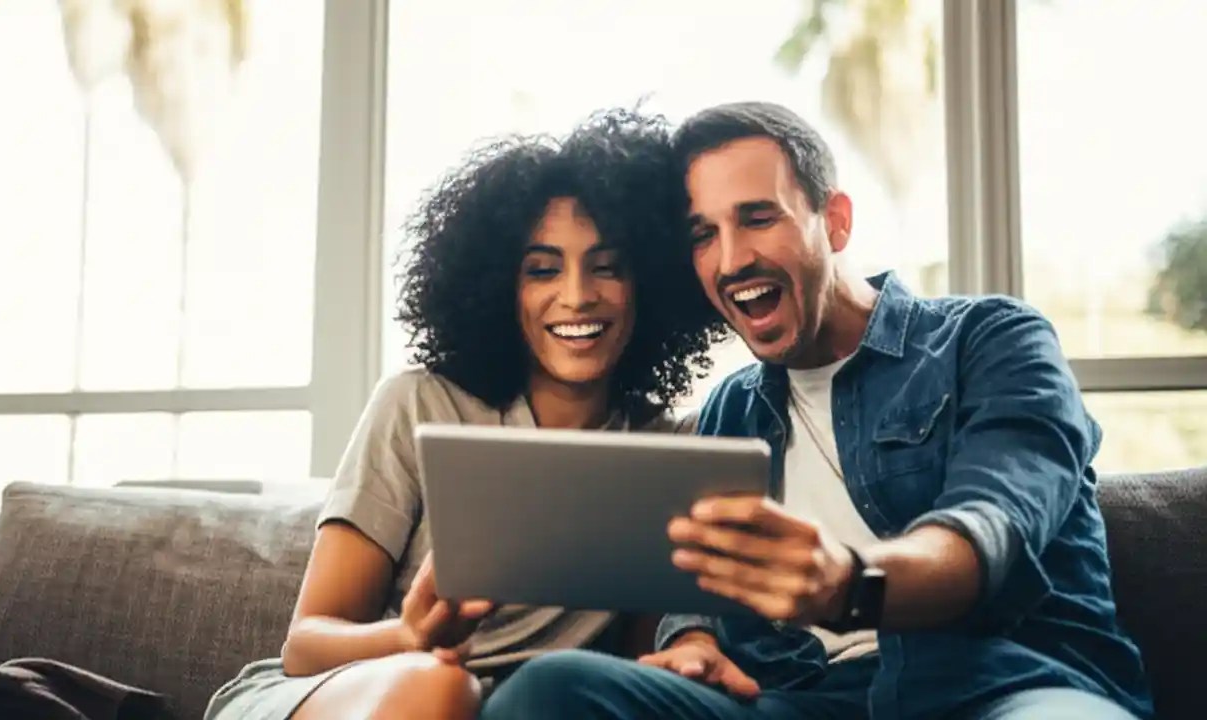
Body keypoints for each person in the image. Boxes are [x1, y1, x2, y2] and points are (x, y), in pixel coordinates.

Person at [480, 101, 1155, 720]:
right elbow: (696, 593)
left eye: (757, 217)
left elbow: (989, 531)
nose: (732, 258)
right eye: (702, 234)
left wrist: (846, 582)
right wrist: (691, 639)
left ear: (834, 221)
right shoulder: (731, 412)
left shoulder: (990, 339)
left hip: (1008, 689)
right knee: (552, 688)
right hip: (803, 705)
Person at [203, 108, 722, 720]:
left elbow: (633, 666)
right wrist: (410, 639)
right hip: (355, 689)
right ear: (501, 288)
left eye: (607, 267)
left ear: (648, 284)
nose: (578, 295)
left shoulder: (672, 445)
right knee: (439, 688)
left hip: (522, 709)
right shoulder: (419, 404)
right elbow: (306, 643)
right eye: (542, 269)